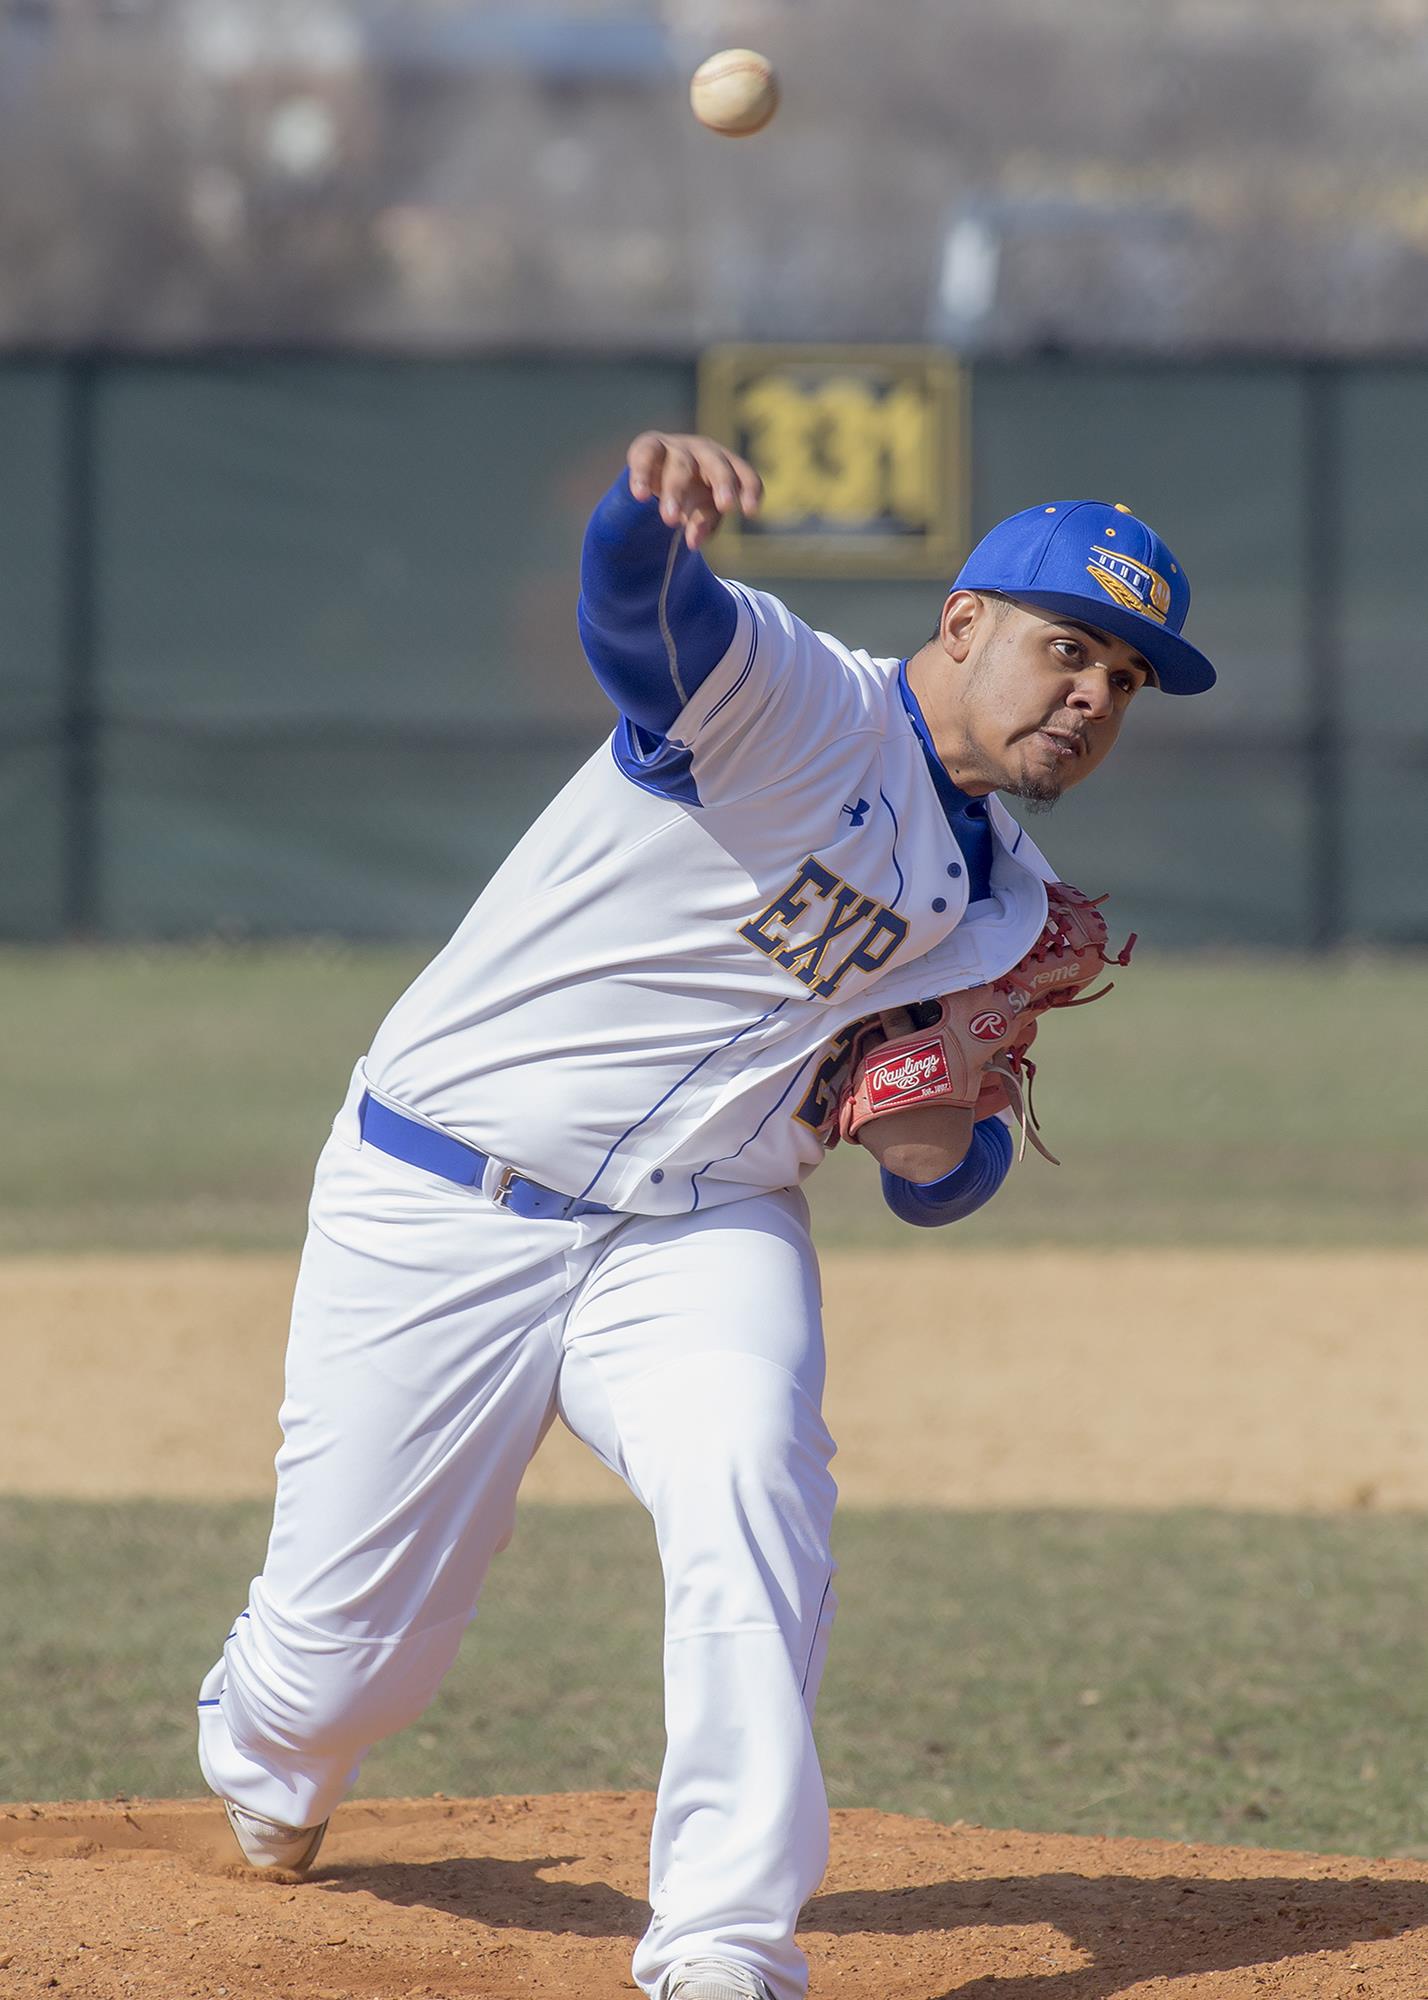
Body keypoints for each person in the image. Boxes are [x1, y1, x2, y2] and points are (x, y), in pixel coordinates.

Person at [197, 431, 1216, 2000]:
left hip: (694, 1229)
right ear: (961, 625)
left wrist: (938, 1148)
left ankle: (725, 1946)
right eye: (1065, 646)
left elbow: (940, 1177)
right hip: (443, 1194)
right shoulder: (801, 699)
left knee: (755, 1471)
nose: (1092, 695)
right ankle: (269, 1748)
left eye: (1128, 679)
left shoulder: (1005, 896)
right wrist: (638, 513)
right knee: (344, 1673)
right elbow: (638, 621)